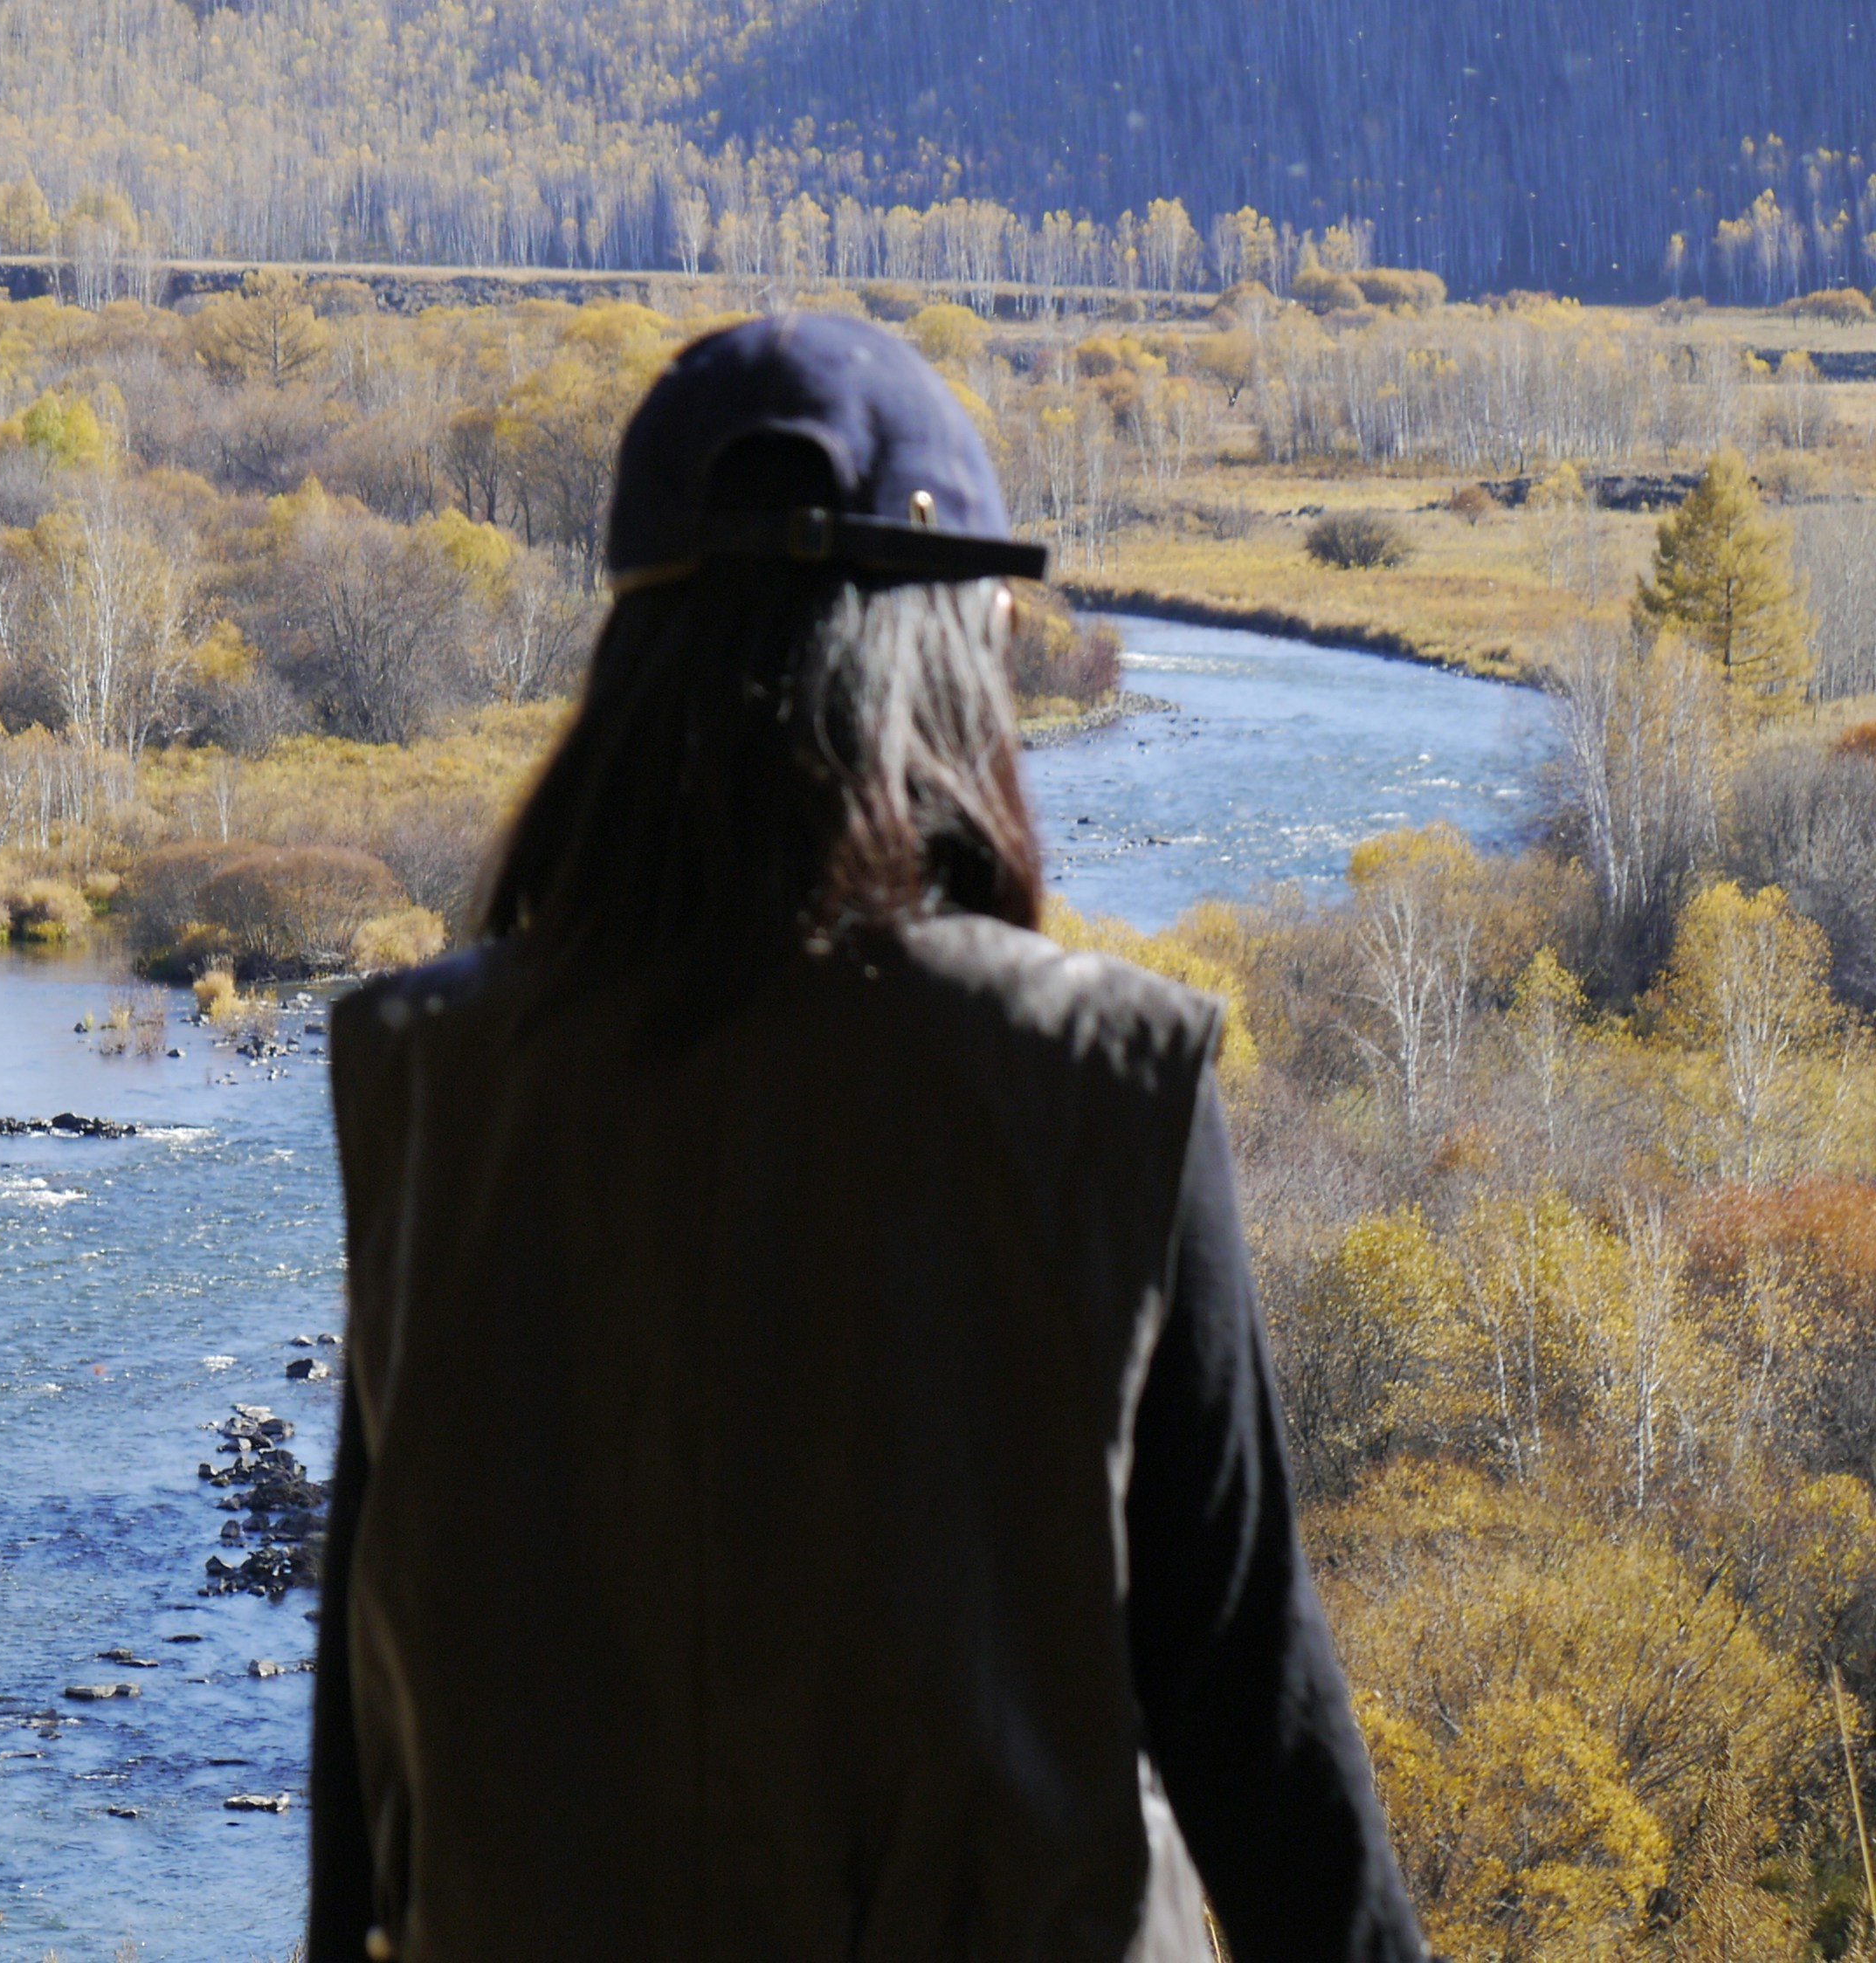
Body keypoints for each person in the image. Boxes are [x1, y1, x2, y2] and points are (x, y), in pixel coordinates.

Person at [305, 314, 1424, 1963]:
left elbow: (369, 1737)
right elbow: (1256, 1717)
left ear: (634, 666)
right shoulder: (1099, 1082)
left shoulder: (432, 1080)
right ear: (948, 660)